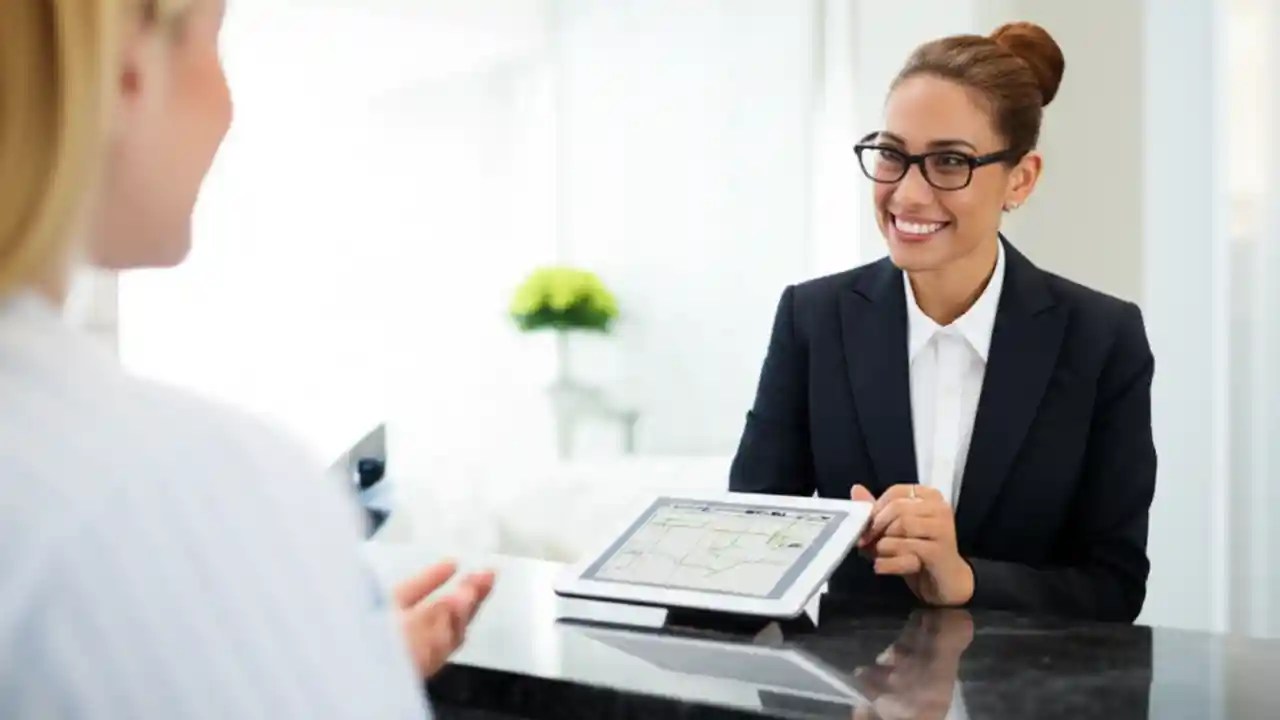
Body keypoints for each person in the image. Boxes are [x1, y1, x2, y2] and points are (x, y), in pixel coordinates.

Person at [0, 1, 492, 717]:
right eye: (213, 39)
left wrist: (298, 665)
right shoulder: (182, 490)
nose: (228, 107)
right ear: (129, 66)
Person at [729, 22, 1156, 622]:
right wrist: (826, 539)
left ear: (1021, 179)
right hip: (854, 701)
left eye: (950, 161)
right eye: (892, 155)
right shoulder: (812, 319)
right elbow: (748, 545)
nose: (906, 194)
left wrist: (963, 579)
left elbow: (1113, 588)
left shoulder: (1101, 339)